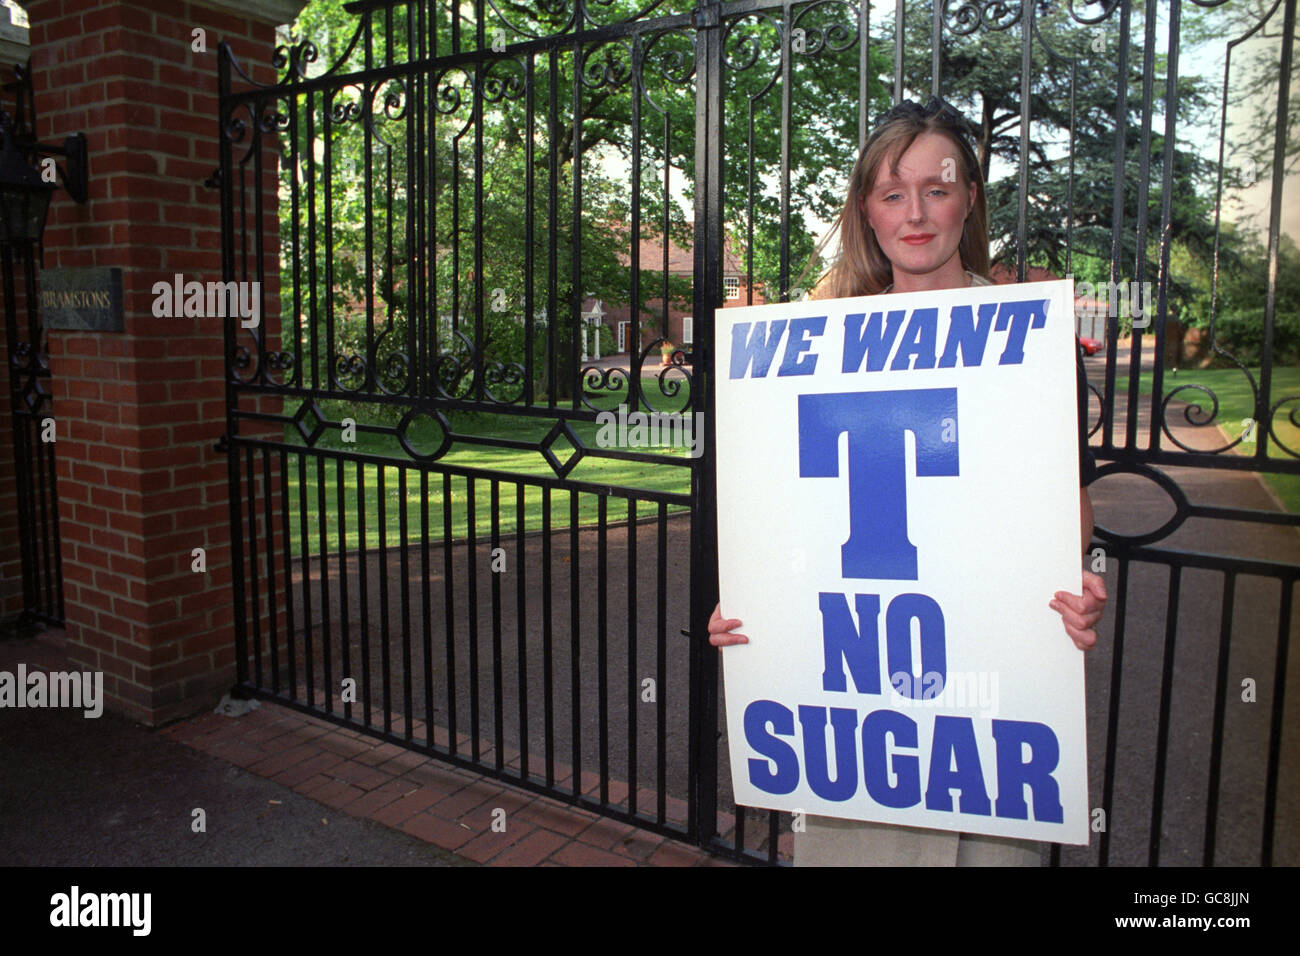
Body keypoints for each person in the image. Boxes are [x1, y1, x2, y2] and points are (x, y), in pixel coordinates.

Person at [708, 97, 1107, 866]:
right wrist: (761, 608)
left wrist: (1070, 586)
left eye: (938, 187)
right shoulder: (812, 342)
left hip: (994, 699)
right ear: (868, 210)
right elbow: (784, 516)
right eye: (893, 193)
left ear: (969, 200)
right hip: (855, 717)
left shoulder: (1029, 334)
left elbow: (1068, 509)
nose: (916, 213)